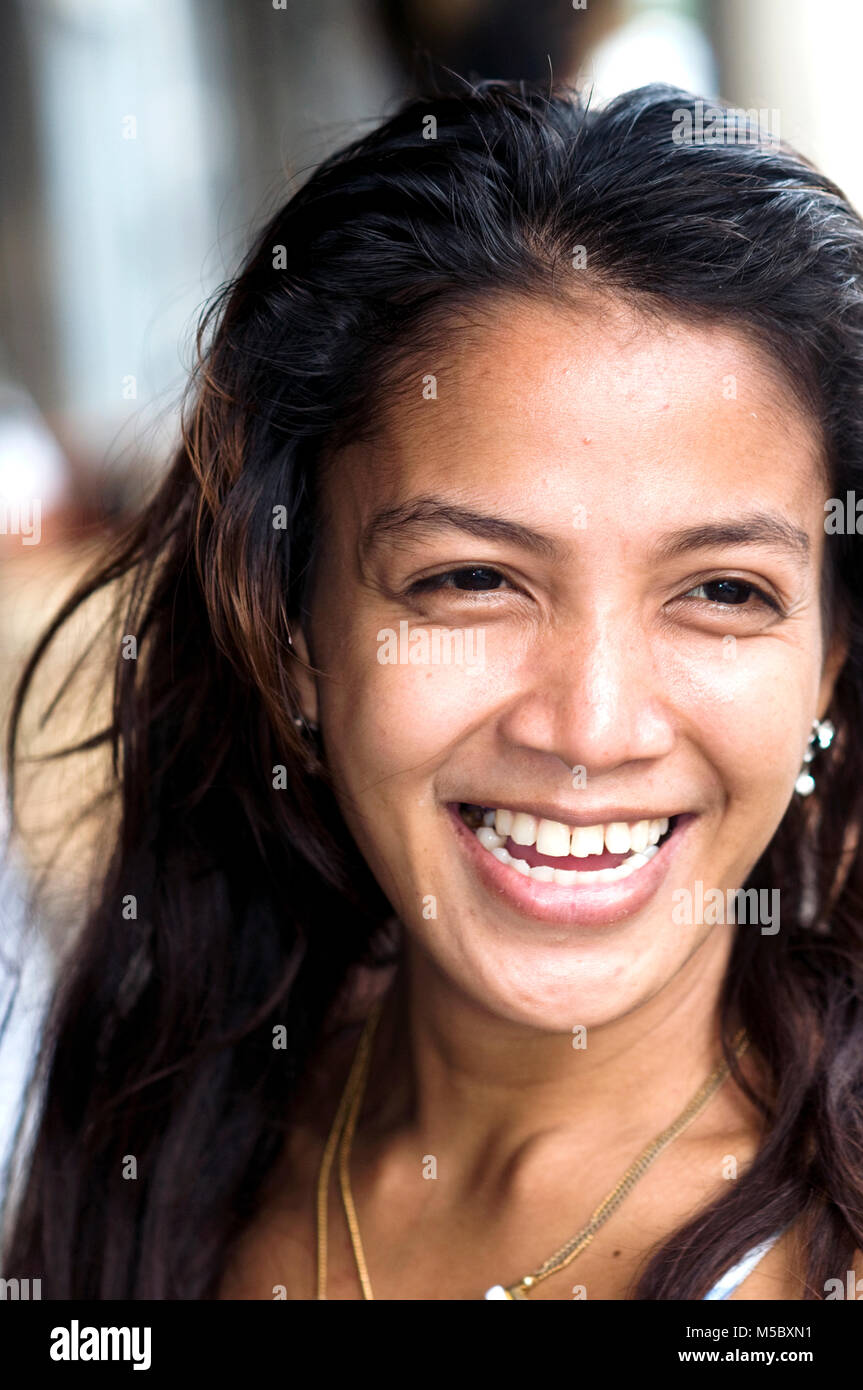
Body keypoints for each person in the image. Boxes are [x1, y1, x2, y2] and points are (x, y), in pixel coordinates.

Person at [2, 78, 862, 1300]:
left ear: (825, 660)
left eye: (722, 591)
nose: (591, 728)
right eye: (471, 579)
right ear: (294, 627)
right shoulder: (173, 1136)